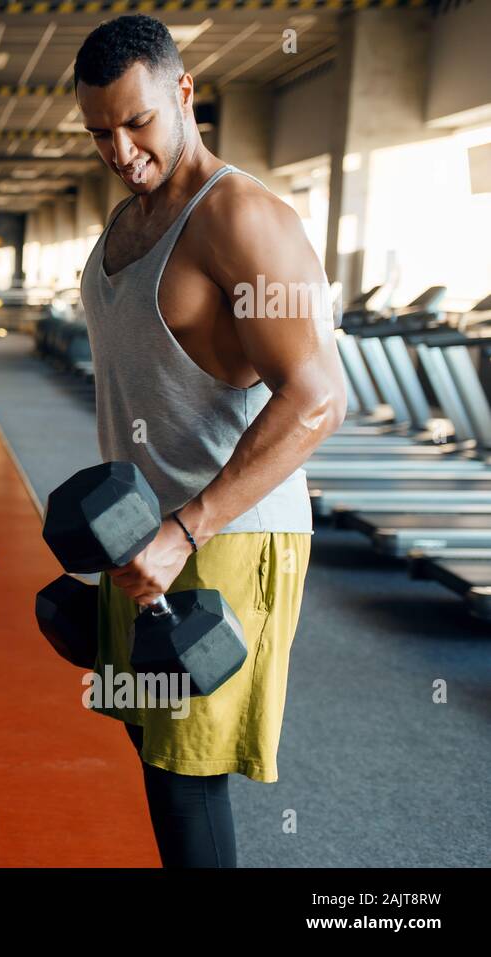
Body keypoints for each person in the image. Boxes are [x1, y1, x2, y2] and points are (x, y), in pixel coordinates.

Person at [72, 15, 347, 866]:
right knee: (155, 757)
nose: (119, 149)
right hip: (147, 536)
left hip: (226, 530)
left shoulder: (240, 218)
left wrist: (187, 529)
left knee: (188, 774)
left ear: (184, 92)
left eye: (137, 121)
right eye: (98, 132)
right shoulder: (125, 222)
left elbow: (318, 396)